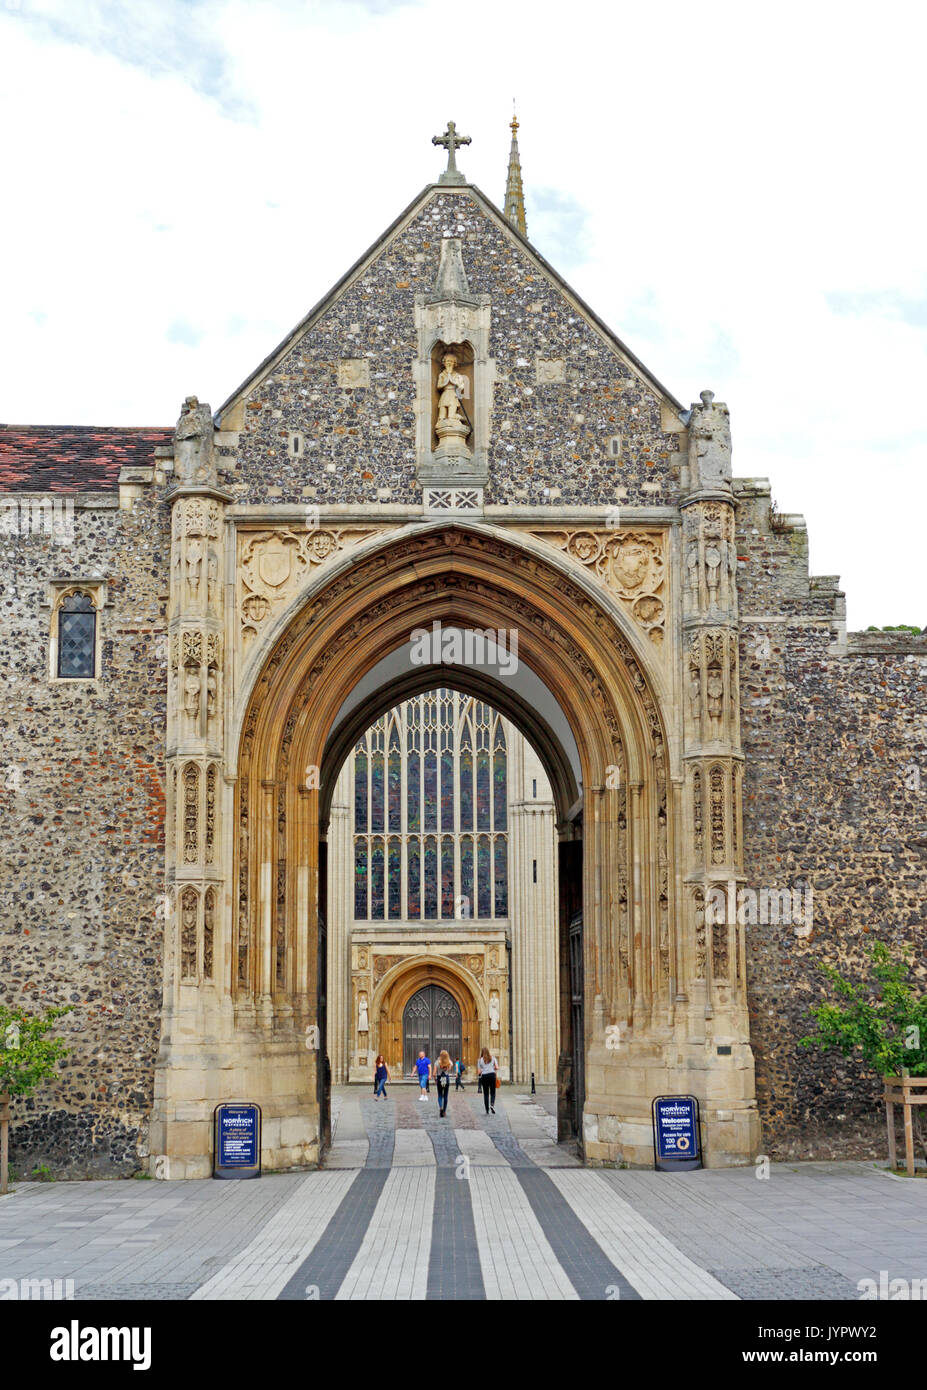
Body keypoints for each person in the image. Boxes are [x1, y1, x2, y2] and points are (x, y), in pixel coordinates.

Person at [478, 1047, 498, 1115]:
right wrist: (492, 1067)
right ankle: (492, 1105)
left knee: (486, 1094)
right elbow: (497, 1067)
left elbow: (479, 1072)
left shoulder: (480, 1060)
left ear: (482, 1052)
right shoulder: (493, 1058)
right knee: (493, 1092)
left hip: (484, 1076)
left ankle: (487, 1110)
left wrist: (483, 1069)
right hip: (492, 1075)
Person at [434, 1050, 453, 1118]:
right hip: (446, 1078)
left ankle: (441, 1107)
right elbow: (449, 1069)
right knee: (445, 1095)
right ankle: (444, 1111)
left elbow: (434, 1073)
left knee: (439, 1094)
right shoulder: (449, 1062)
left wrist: (435, 1079)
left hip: (439, 1078)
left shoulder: (437, 1062)